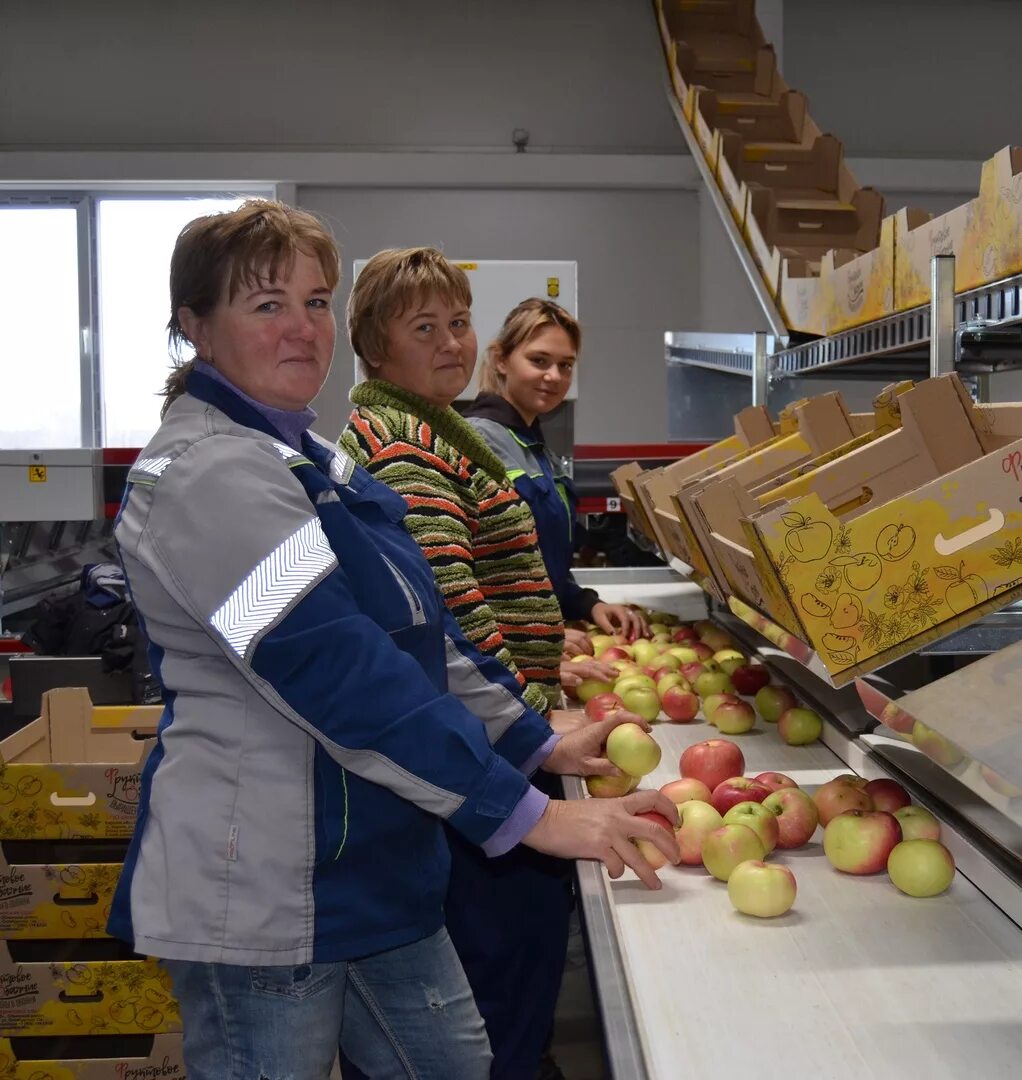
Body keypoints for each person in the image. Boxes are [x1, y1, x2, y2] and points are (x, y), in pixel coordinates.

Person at [106, 202, 678, 1080]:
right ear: (196, 327)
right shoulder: (209, 477)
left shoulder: (315, 463)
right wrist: (530, 814)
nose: (302, 329)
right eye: (266, 305)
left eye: (314, 301)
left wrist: (535, 740)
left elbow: (423, 638)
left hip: (370, 870)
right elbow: (340, 672)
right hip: (267, 888)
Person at [338, 250, 606, 1079]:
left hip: (485, 735)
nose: (452, 342)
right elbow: (447, 612)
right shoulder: (407, 448)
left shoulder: (431, 427)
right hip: (477, 754)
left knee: (503, 984)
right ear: (375, 346)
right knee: (498, 982)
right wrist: (533, 730)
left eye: (458, 321)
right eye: (425, 328)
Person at [464, 298, 649, 647]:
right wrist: (535, 637)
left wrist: (586, 604)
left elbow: (538, 569)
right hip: (506, 653)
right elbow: (466, 579)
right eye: (539, 361)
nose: (555, 376)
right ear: (502, 360)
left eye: (565, 365)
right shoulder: (478, 441)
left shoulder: (535, 450)